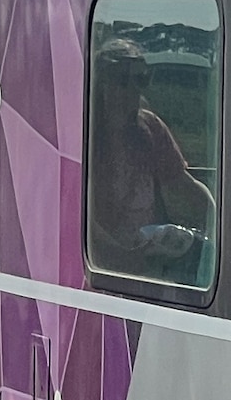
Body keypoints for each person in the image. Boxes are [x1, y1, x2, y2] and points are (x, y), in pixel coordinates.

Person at [88, 38, 216, 282]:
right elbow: (80, 213)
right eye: (123, 80)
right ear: (102, 85)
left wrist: (219, 221)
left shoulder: (149, 128)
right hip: (104, 267)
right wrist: (123, 255)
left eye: (141, 79)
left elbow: (182, 183)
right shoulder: (87, 137)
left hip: (153, 258)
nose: (134, 89)